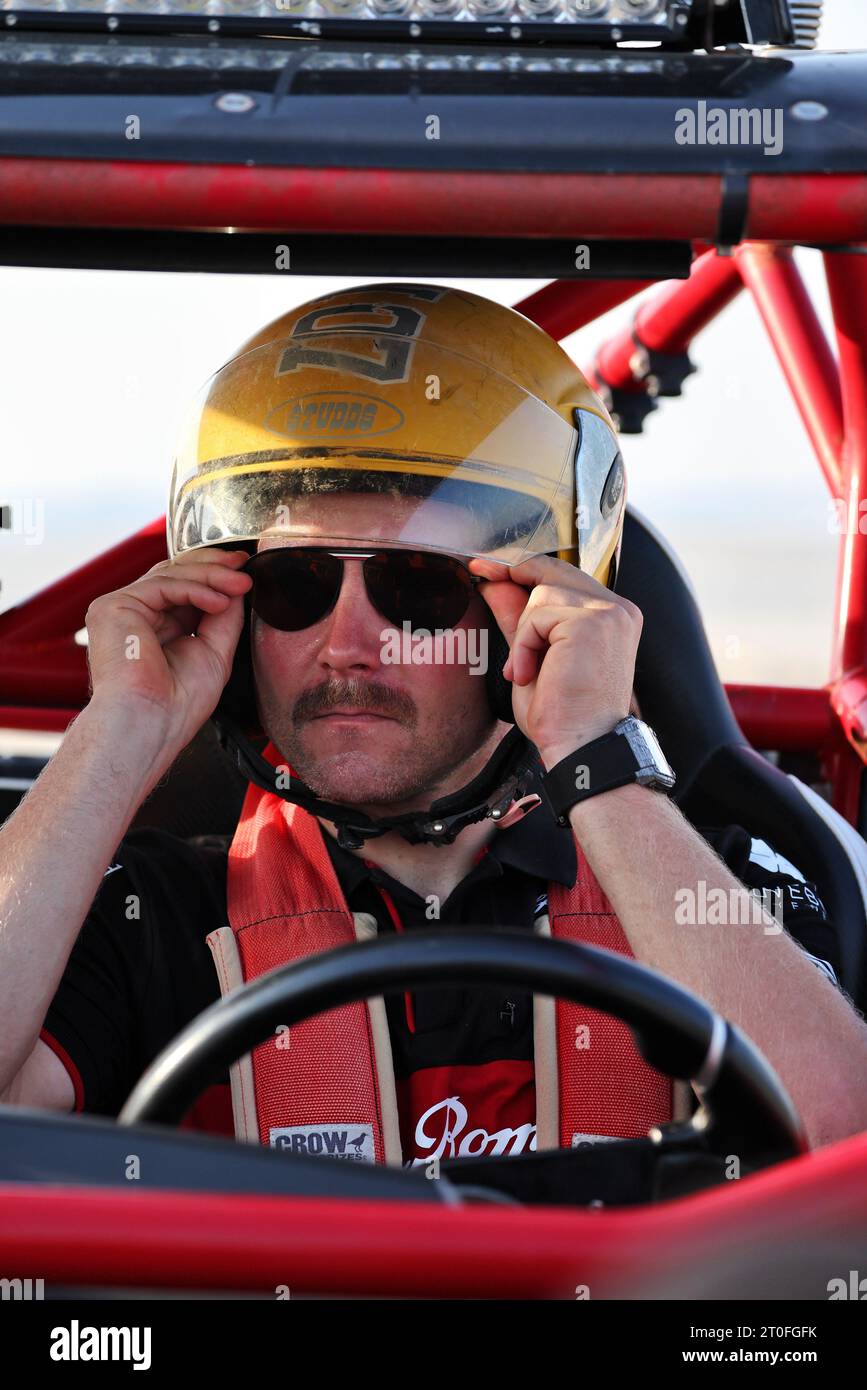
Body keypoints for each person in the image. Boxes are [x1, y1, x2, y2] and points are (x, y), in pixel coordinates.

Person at [1, 282, 865, 1167]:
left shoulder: (710, 881)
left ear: (528, 612)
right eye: (292, 586)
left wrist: (593, 757)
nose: (345, 644)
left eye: (416, 584)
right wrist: (123, 725)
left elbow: (840, 1158)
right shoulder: (161, 912)